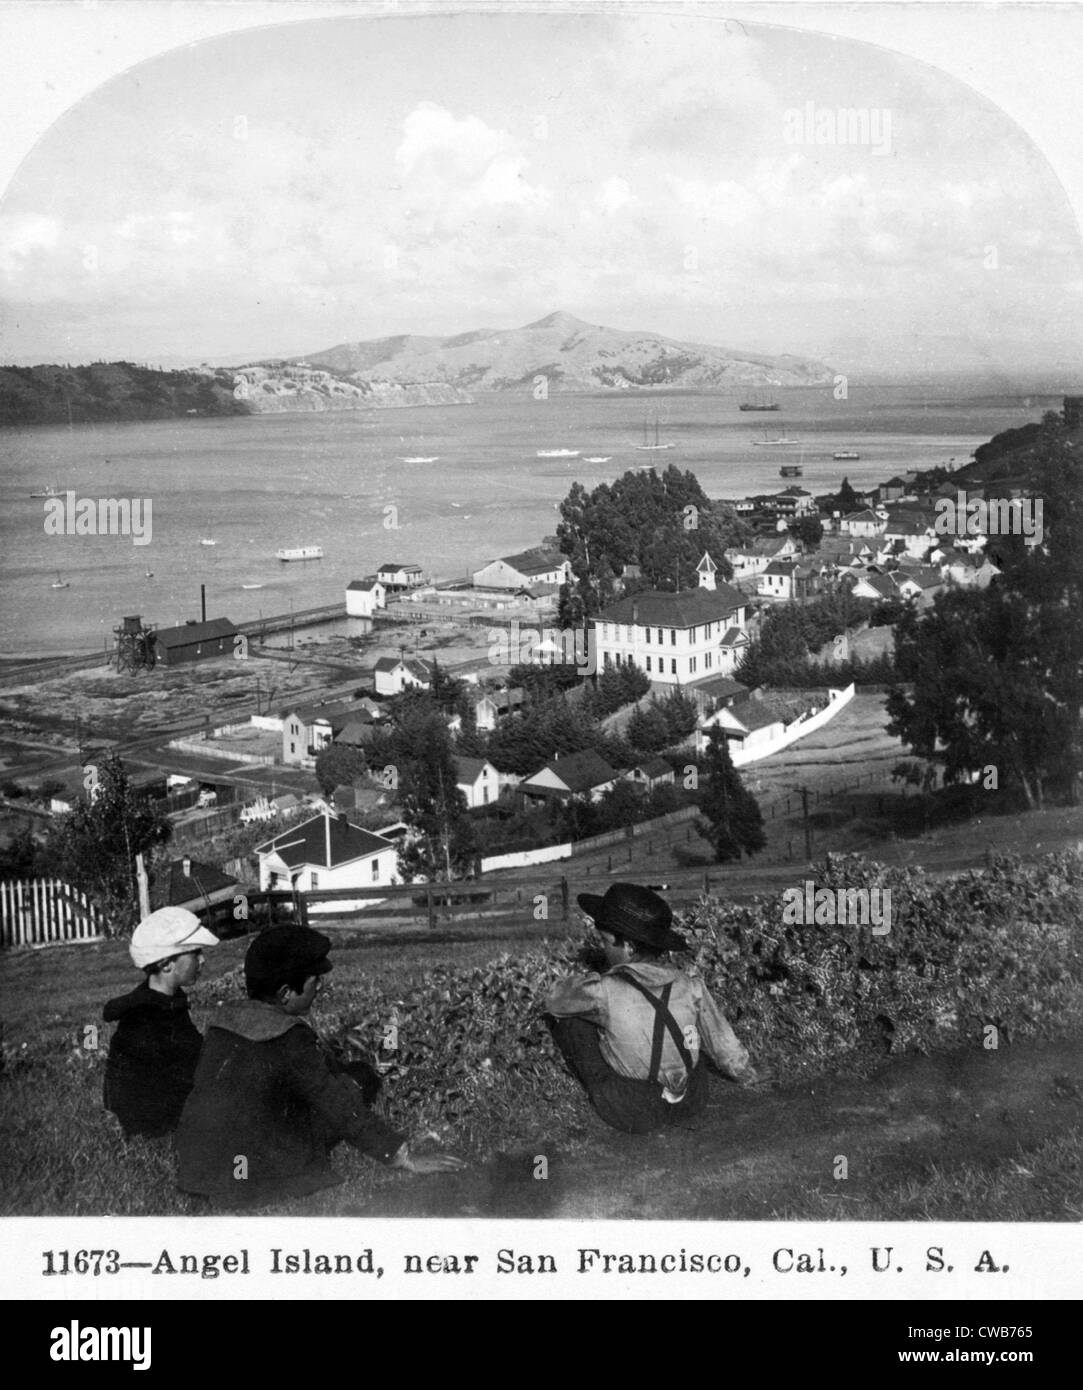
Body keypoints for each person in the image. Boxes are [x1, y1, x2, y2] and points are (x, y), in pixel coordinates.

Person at [175, 924, 464, 1207]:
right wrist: (401, 1155)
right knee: (352, 1086)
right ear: (286, 992)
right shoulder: (288, 1036)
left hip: (199, 1166)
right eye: (315, 980)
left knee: (349, 1077)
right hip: (252, 1178)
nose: (321, 986)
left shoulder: (221, 1023)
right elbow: (336, 1105)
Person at [544, 882, 759, 1134]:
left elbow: (553, 1000)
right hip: (692, 1098)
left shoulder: (604, 989)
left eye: (605, 941)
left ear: (629, 947)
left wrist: (591, 980)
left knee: (570, 1022)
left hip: (633, 1109)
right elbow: (724, 1043)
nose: (603, 948)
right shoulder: (690, 984)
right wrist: (746, 1074)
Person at [102, 906, 219, 1139]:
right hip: (152, 1120)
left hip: (165, 1104)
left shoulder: (169, 1001)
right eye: (195, 953)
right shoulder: (146, 1017)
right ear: (167, 964)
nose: (202, 960)